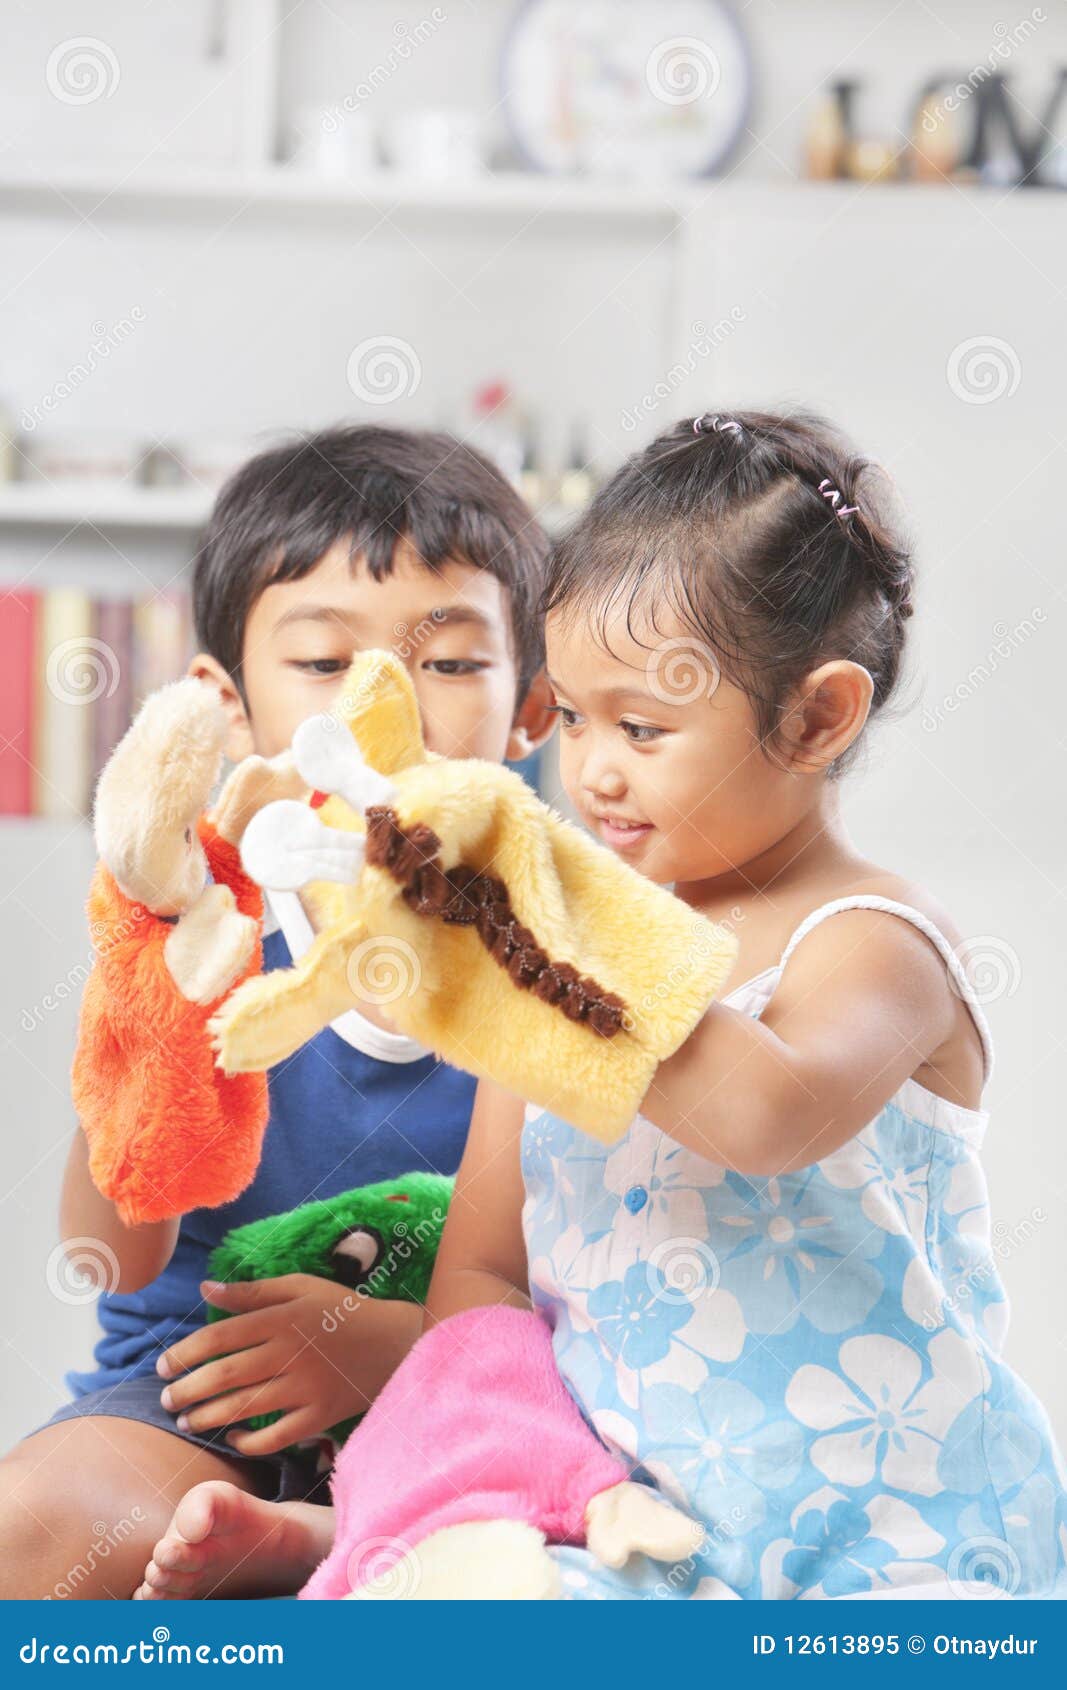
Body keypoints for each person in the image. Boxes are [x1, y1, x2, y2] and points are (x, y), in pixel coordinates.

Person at [137, 408, 1065, 1602]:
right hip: (635, 1530)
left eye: (643, 724)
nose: (591, 770)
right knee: (449, 1617)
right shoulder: (554, 950)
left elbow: (768, 1114)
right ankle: (357, 1542)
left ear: (817, 716)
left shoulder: (872, 944)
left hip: (896, 1543)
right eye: (571, 716)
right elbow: (480, 1282)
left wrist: (536, 960)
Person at [0, 425, 555, 1600]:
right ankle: (296, 1532)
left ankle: (337, 1539)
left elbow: (619, 1282)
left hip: (495, 1406)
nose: (382, 708)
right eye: (320, 662)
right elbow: (110, 1251)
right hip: (200, 1405)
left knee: (582, 1549)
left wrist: (397, 1350)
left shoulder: (566, 963)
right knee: (37, 1525)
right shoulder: (199, 930)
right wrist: (150, 1011)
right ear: (225, 705)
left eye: (449, 664)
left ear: (532, 711)